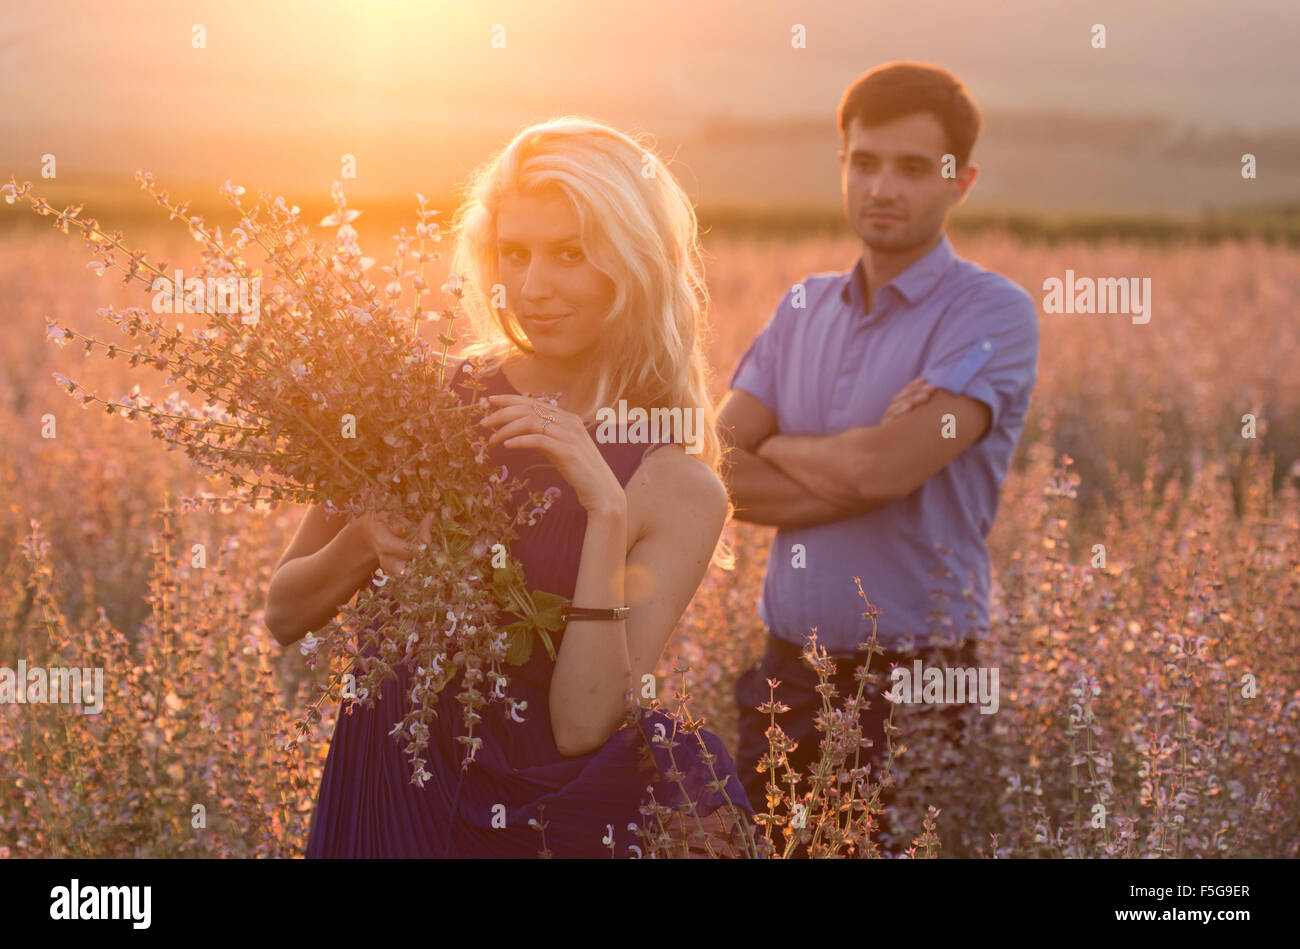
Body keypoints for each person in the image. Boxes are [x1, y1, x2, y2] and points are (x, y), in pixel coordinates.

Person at [265, 117, 756, 858]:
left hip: (537, 829)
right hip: (384, 789)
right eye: (514, 253)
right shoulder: (415, 404)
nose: (533, 287)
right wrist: (365, 541)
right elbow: (283, 610)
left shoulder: (677, 484)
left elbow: (581, 725)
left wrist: (605, 508)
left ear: (634, 264)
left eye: (570, 255)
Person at [719, 62, 1040, 854]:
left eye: (912, 167)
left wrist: (790, 449)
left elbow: (886, 471)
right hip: (787, 676)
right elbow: (715, 465)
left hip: (920, 682)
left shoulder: (991, 312)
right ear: (842, 168)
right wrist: (860, 463)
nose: (882, 186)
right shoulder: (800, 308)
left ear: (960, 181)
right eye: (864, 163)